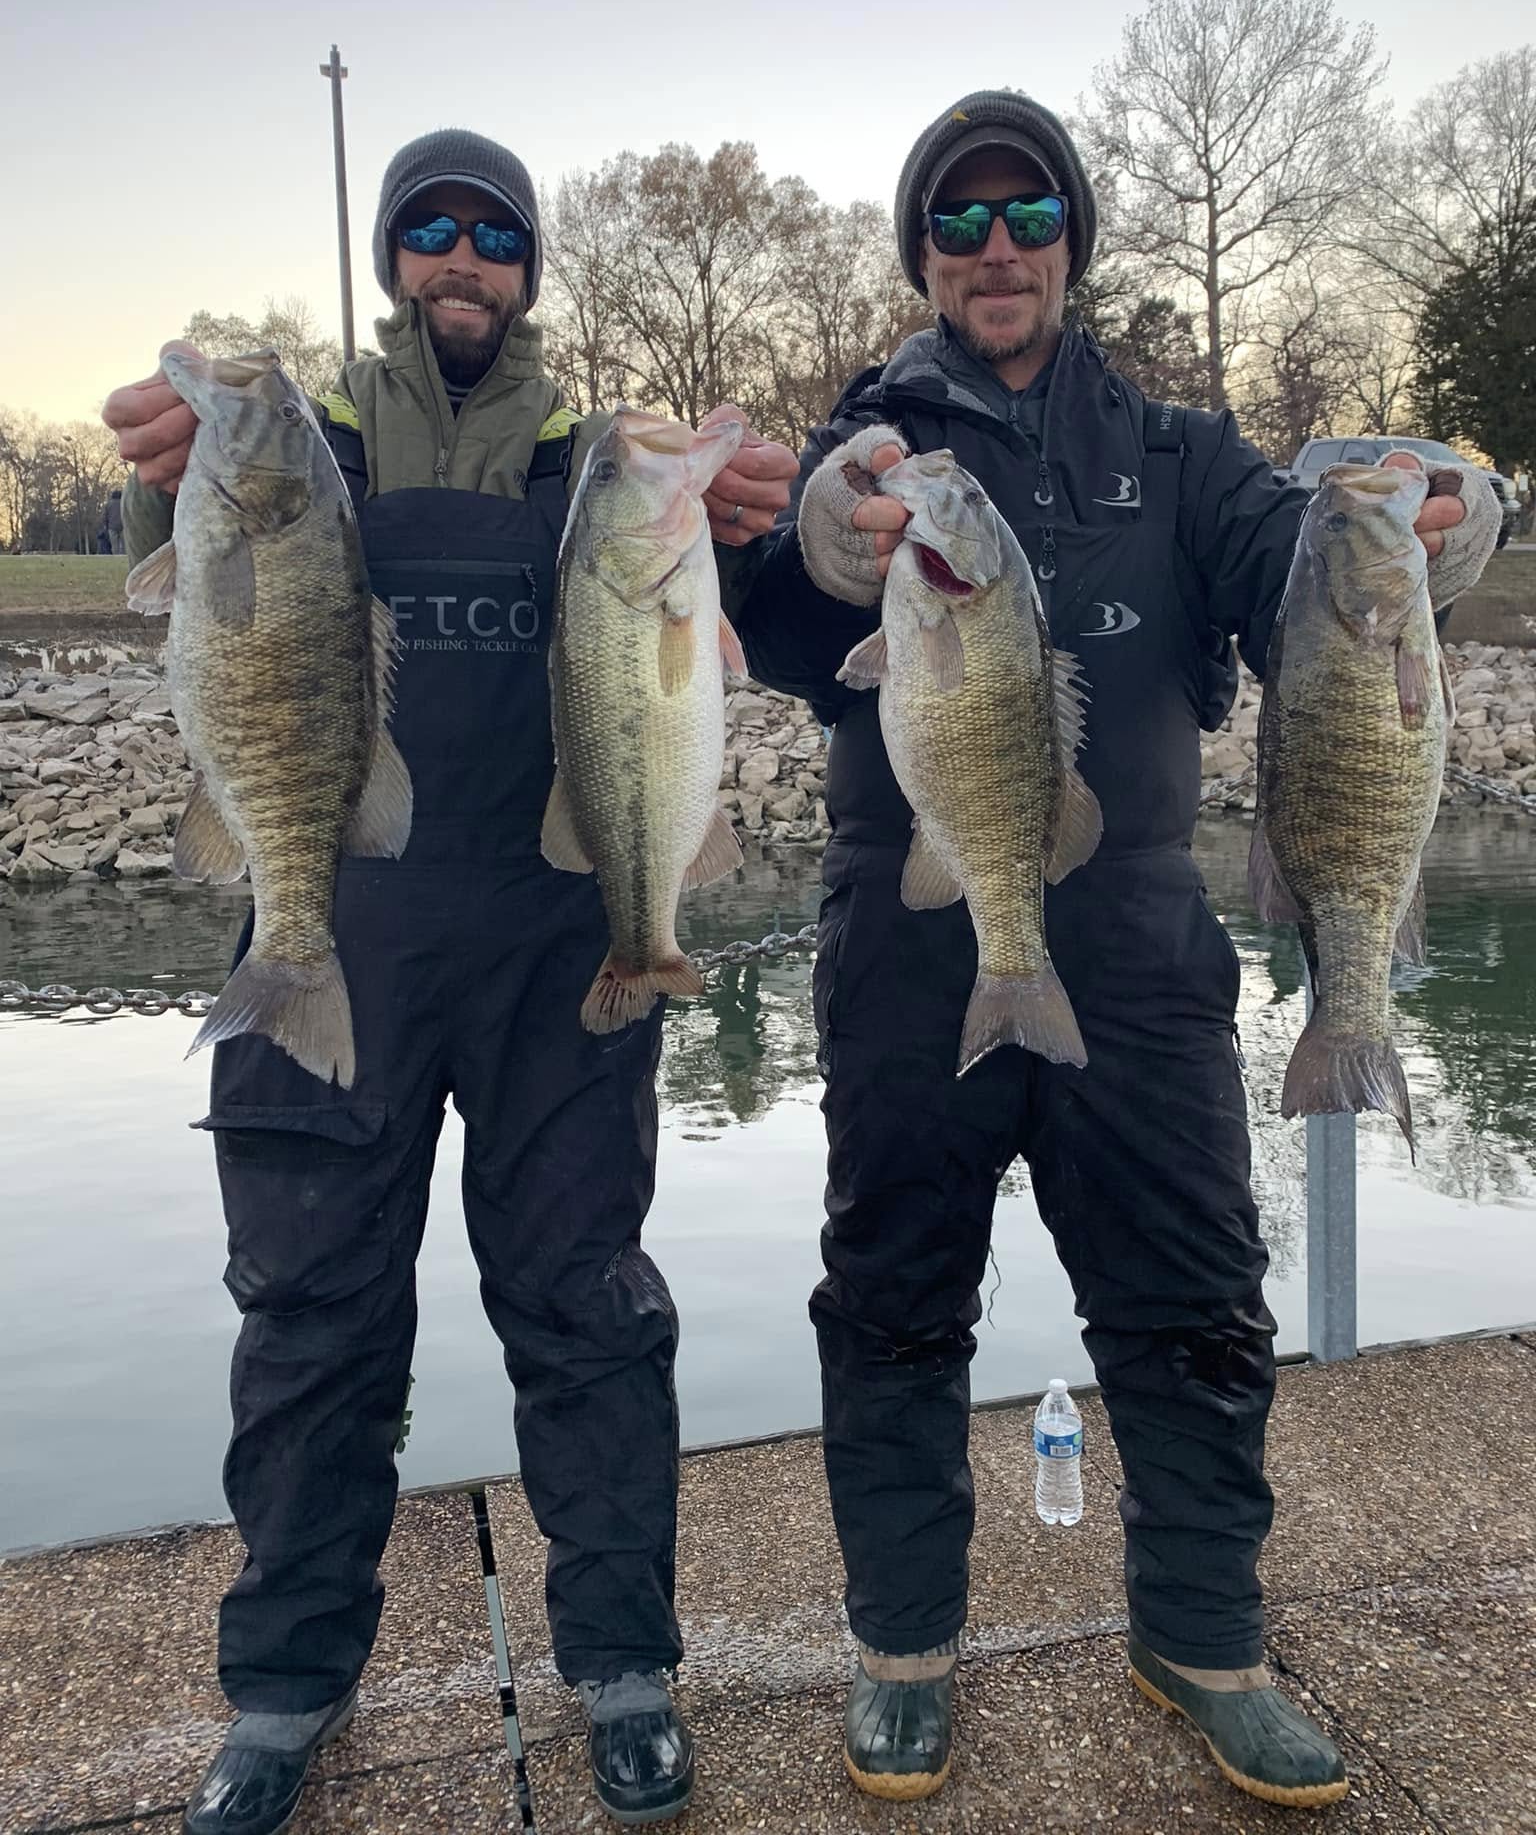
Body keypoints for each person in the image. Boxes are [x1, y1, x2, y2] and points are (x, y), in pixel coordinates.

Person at [728, 90, 1499, 1809]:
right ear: (923, 257)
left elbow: (1327, 558)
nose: (995, 250)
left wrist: (1460, 507)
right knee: (895, 1306)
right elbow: (784, 616)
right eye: (959, 224)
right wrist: (819, 544)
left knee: (1195, 1301)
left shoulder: (1182, 451)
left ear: (1072, 242)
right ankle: (907, 1655)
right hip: (913, 938)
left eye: (1028, 218)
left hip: (1141, 937)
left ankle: (1205, 1640)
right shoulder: (869, 456)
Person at [103, 129, 796, 1835]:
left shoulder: (602, 464)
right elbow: (186, 589)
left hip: (562, 950)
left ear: (529, 268)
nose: (460, 261)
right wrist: (154, 474)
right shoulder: (303, 450)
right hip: (334, 926)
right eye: (431, 232)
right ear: (395, 259)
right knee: (315, 1323)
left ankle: (624, 1671)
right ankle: (283, 1691)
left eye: (493, 235)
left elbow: (731, 627)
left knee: (586, 1314)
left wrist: (766, 528)